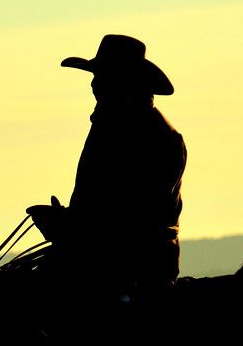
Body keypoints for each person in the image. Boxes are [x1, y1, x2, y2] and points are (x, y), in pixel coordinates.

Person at [30, 34, 186, 297]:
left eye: (102, 82)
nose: (95, 87)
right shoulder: (110, 126)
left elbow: (133, 217)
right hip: (97, 261)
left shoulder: (158, 138)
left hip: (134, 271)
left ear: (125, 86)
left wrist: (68, 227)